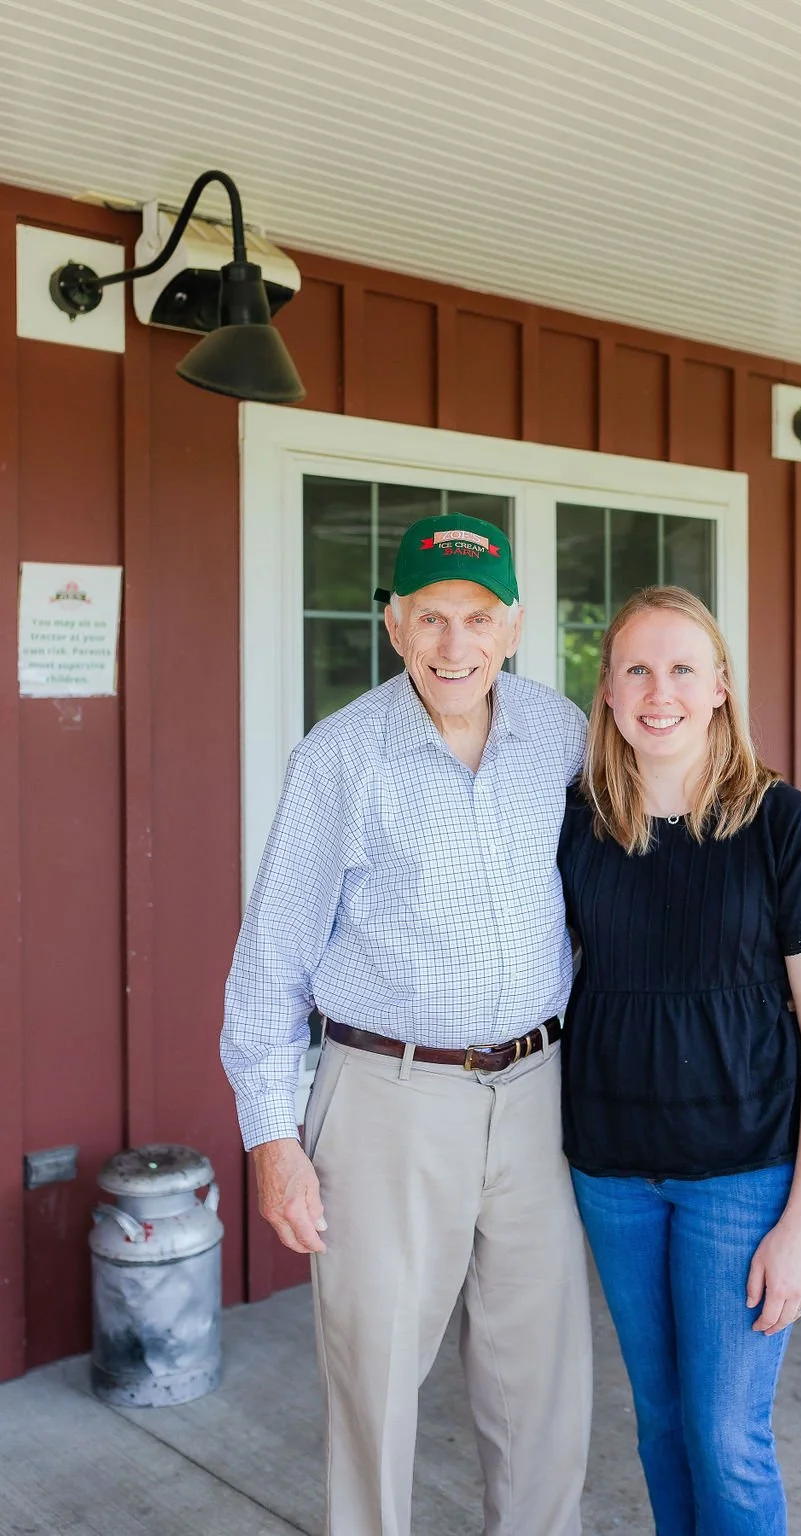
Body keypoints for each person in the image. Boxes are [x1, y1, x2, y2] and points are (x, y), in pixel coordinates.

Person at [221, 515, 592, 1536]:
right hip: (385, 1098)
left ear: (512, 625)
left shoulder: (559, 734)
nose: (454, 644)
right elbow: (271, 958)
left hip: (536, 1094)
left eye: (477, 618)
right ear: (393, 622)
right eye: (430, 616)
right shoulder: (339, 758)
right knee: (375, 1382)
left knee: (541, 1385)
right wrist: (271, 1137)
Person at [557, 586, 801, 1536]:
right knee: (660, 1425)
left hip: (743, 1176)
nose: (661, 692)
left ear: (722, 687)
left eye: (684, 669)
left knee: (727, 1437)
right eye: (637, 670)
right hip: (611, 1172)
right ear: (606, 694)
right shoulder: (577, 824)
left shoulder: (784, 826)